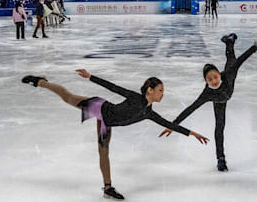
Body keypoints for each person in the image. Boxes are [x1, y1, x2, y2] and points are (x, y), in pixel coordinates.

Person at [21, 69, 209, 200]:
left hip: (106, 122)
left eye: (163, 91)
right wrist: (90, 77)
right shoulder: (136, 98)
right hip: (99, 107)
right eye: (160, 90)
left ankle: (108, 188)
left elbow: (168, 124)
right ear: (150, 90)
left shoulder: (149, 113)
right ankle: (41, 82)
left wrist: (192, 133)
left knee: (103, 153)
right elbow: (114, 88)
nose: (163, 94)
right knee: (68, 97)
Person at [160, 33, 257, 172]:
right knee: (219, 128)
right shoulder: (207, 93)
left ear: (219, 74)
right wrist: (173, 125)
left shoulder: (228, 74)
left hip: (228, 86)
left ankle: (229, 42)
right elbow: (190, 109)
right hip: (220, 101)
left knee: (232, 61)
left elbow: (240, 61)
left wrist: (254, 48)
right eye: (209, 79)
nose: (214, 81)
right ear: (206, 81)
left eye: (215, 76)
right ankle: (221, 159)